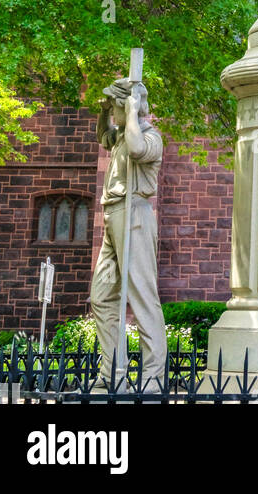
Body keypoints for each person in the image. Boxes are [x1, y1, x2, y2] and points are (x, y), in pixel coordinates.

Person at [90, 77, 167, 387]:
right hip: (113, 217)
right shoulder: (121, 135)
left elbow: (137, 149)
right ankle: (112, 375)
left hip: (134, 216)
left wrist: (133, 113)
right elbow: (103, 137)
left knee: (142, 296)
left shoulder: (148, 137)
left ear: (129, 106)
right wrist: (103, 113)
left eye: (114, 104)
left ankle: (153, 377)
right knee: (102, 297)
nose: (112, 109)